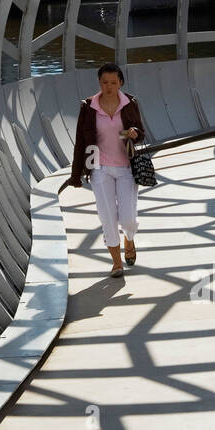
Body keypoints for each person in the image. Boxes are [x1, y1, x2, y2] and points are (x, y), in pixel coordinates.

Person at [60, 62, 146, 277]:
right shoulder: (89, 107)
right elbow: (81, 141)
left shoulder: (129, 103)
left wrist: (134, 132)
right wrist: (76, 175)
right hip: (99, 168)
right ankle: (116, 262)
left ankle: (129, 238)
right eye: (104, 82)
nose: (108, 87)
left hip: (126, 168)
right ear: (99, 82)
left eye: (113, 82)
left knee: (127, 218)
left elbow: (140, 131)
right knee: (107, 216)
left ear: (121, 83)